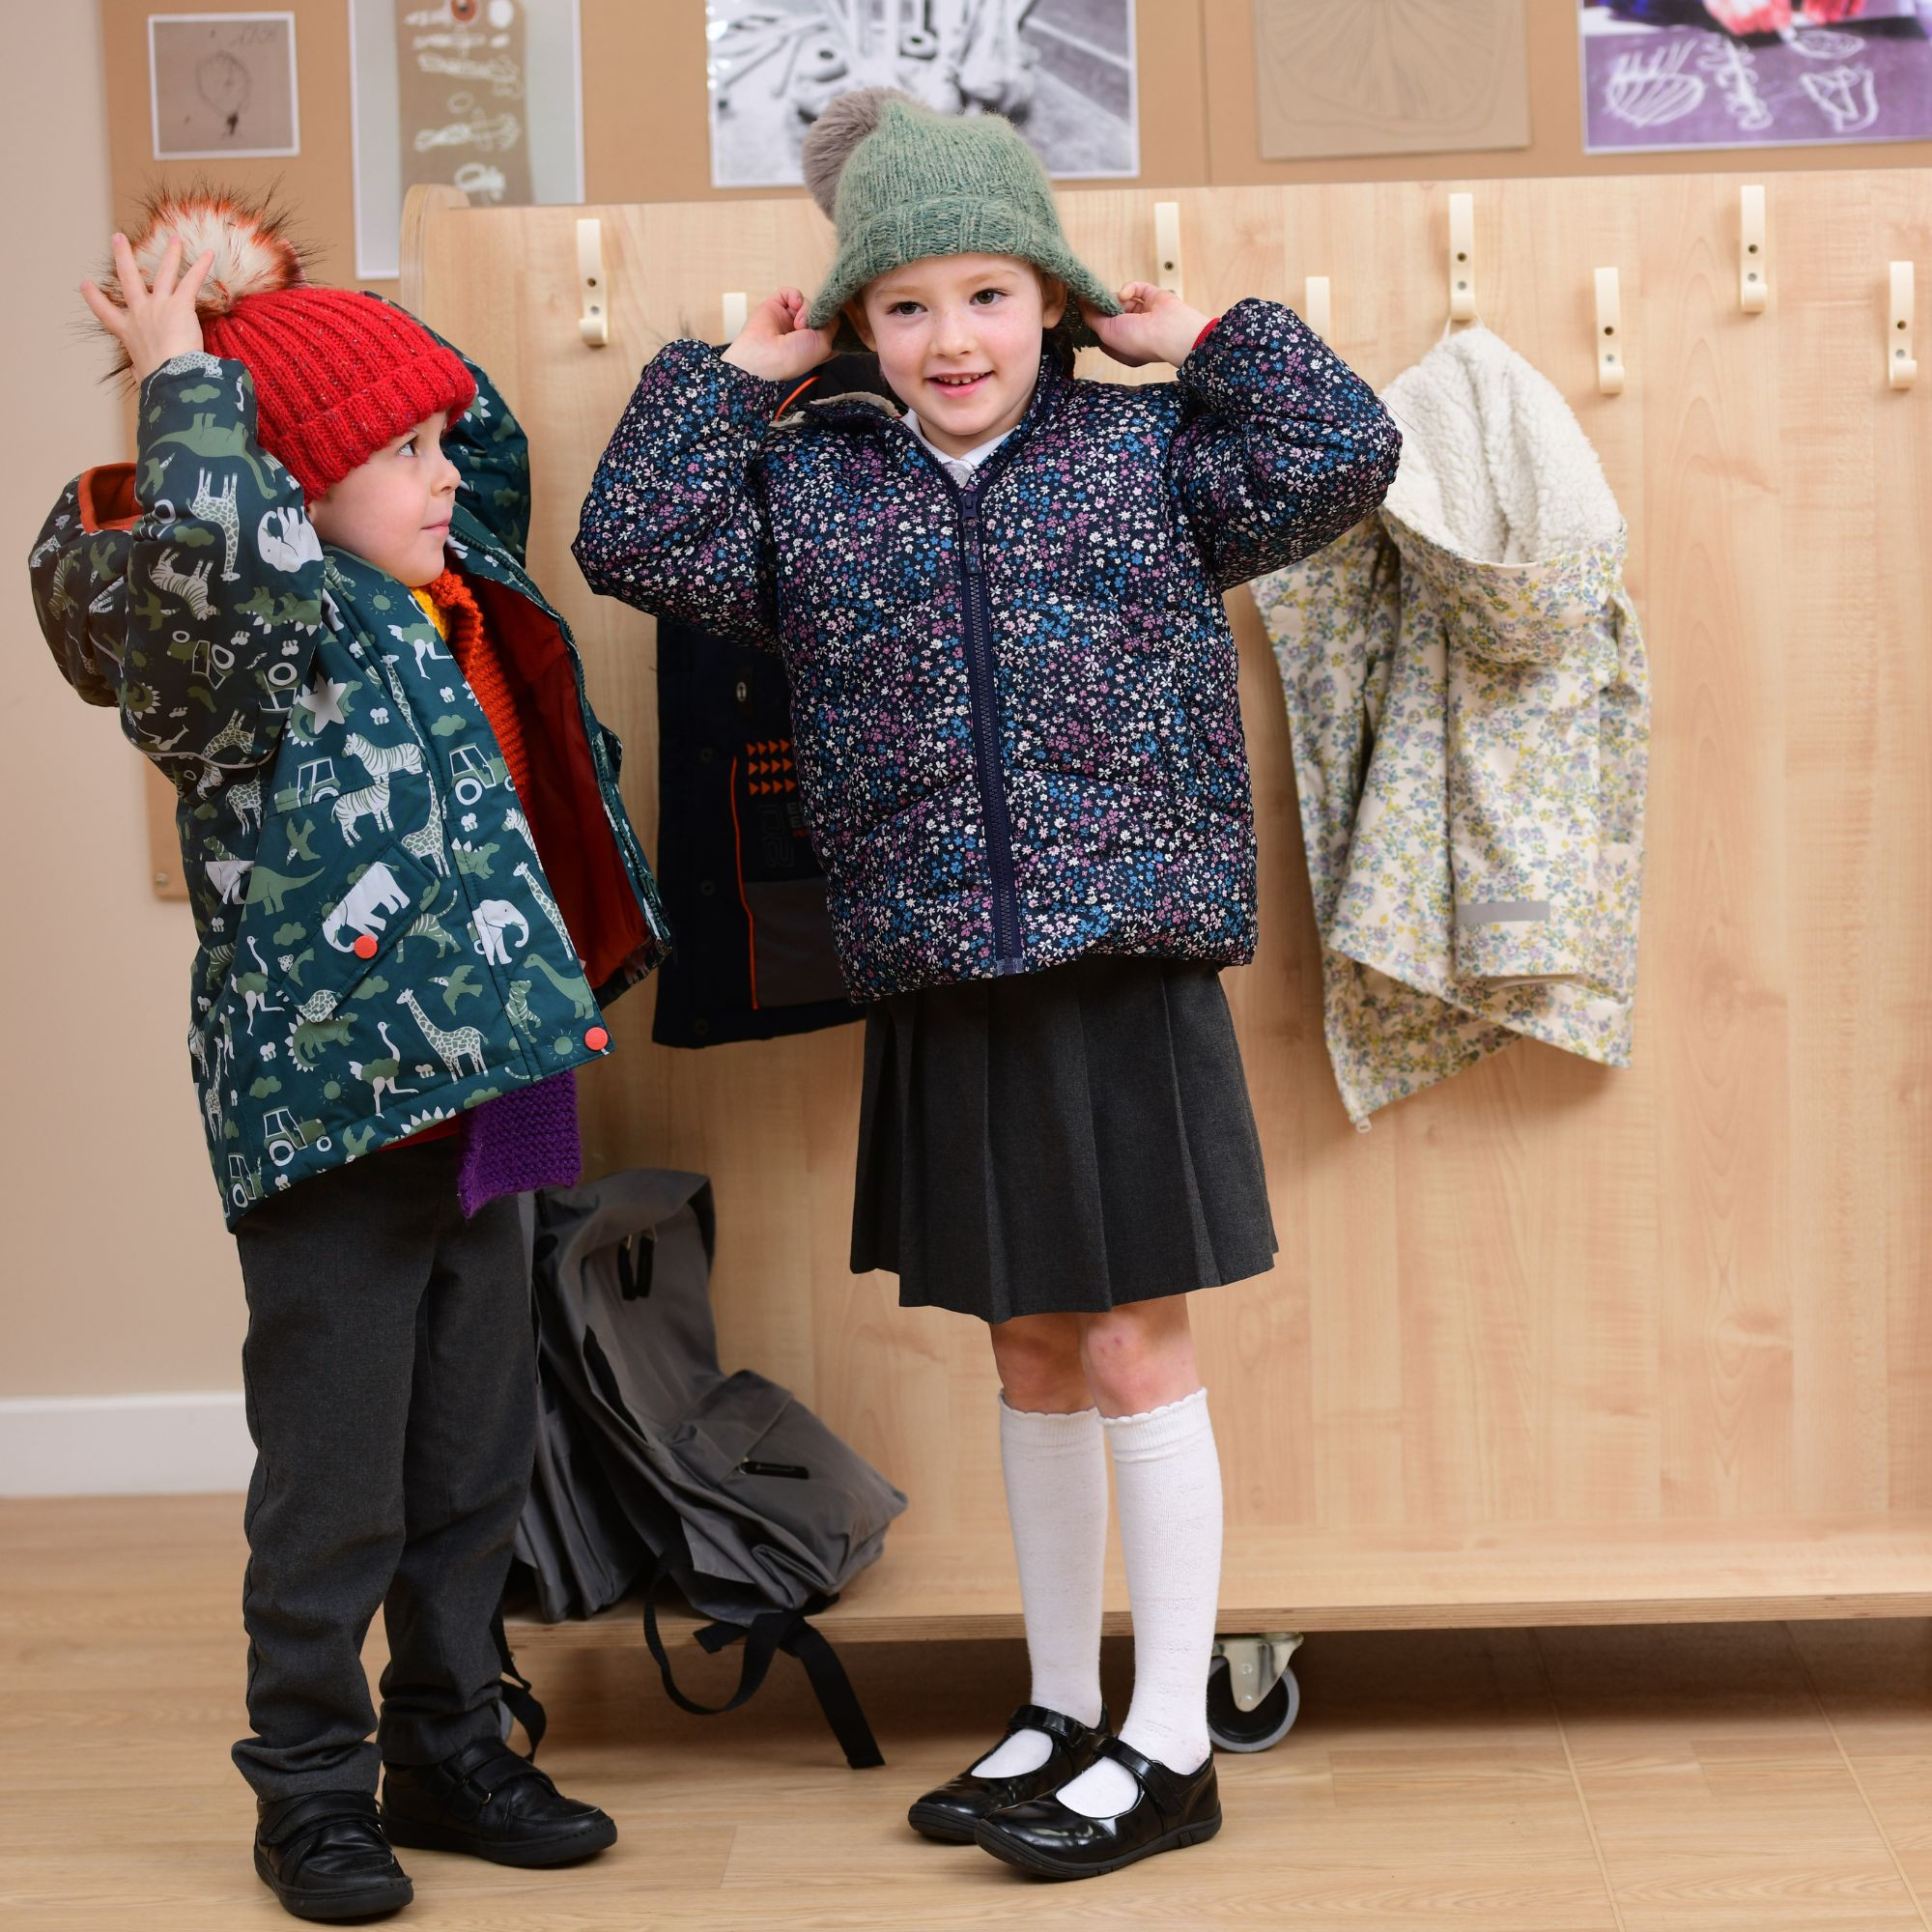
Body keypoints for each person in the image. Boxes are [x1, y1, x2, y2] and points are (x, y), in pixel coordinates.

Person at [574, 90, 1400, 1880]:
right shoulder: (812, 485)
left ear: (1055, 299)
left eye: (991, 296)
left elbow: (1343, 453)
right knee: (1025, 1348)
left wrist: (1211, 340)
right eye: (909, 305)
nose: (954, 338)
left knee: (1124, 1339)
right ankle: (1055, 1707)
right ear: (857, 322)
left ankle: (1169, 1743)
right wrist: (727, 374)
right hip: (942, 957)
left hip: (1120, 956)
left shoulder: (1153, 454)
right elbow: (631, 541)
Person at [29, 191, 669, 1922]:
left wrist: (293, 318)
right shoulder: (237, 640)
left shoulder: (445, 581)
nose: (445, 473)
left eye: (435, 442)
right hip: (334, 1119)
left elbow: (486, 430)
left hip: (500, 1074)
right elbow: (214, 561)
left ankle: (450, 1742)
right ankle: (308, 1790)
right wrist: (190, 379)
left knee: (473, 1460)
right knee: (336, 1487)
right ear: (290, 485)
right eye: (401, 451)